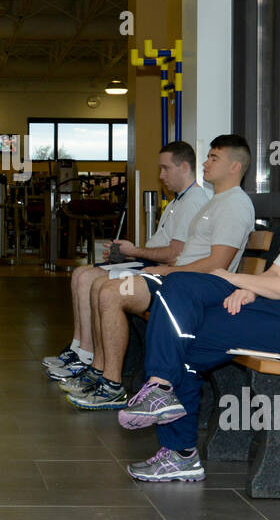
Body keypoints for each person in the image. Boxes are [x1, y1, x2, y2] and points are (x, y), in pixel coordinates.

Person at [116, 130, 280, 482]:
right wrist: (252, 290)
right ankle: (164, 400)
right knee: (179, 291)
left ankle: (167, 412)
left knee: (183, 333)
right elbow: (278, 271)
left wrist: (240, 281)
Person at [60, 136, 256, 410]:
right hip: (180, 278)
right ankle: (100, 371)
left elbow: (217, 264)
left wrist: (167, 270)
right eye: (207, 156)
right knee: (102, 287)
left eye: (214, 158)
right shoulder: (215, 202)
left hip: (192, 286)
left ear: (235, 167)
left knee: (111, 292)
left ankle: (112, 385)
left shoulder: (234, 204)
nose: (205, 162)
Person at [43, 141, 211, 378]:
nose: (161, 175)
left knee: (90, 278)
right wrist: (126, 252)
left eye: (165, 169)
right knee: (81, 273)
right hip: (145, 263)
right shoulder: (177, 201)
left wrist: (134, 252)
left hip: (158, 271)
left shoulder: (194, 200)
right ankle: (79, 349)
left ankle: (87, 356)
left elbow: (174, 254)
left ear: (184, 167)